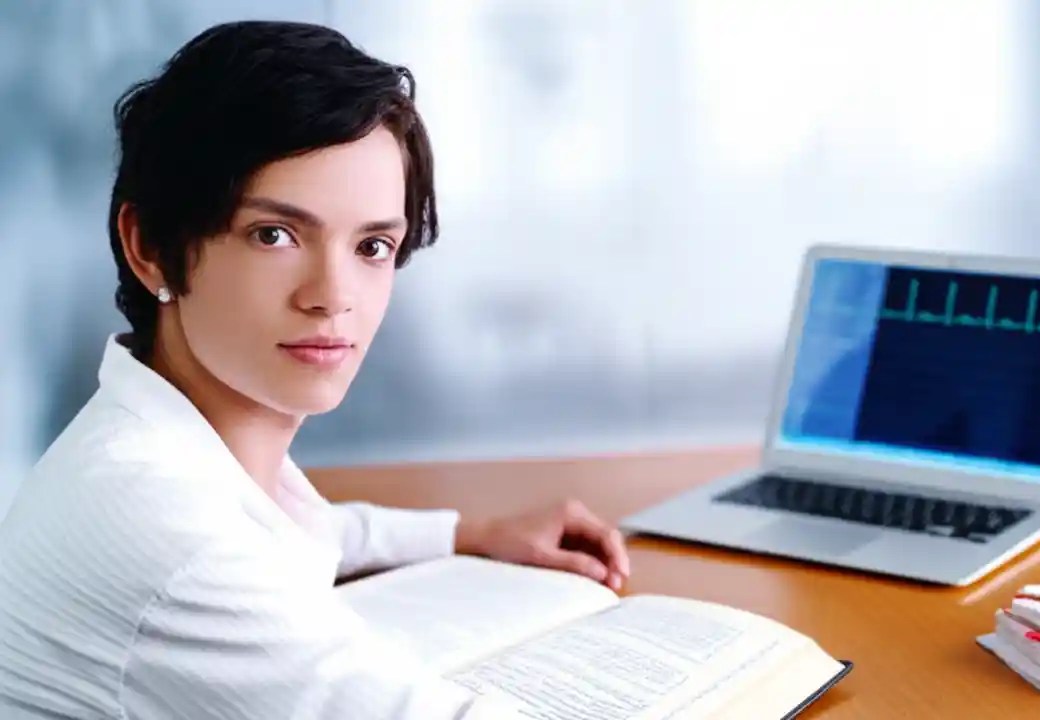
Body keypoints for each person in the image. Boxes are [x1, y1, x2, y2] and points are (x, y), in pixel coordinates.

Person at [0, 20, 629, 719]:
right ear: (150, 246)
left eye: (373, 246)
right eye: (275, 235)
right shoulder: (166, 530)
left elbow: (312, 529)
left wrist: (464, 535)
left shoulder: (176, 453)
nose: (332, 295)